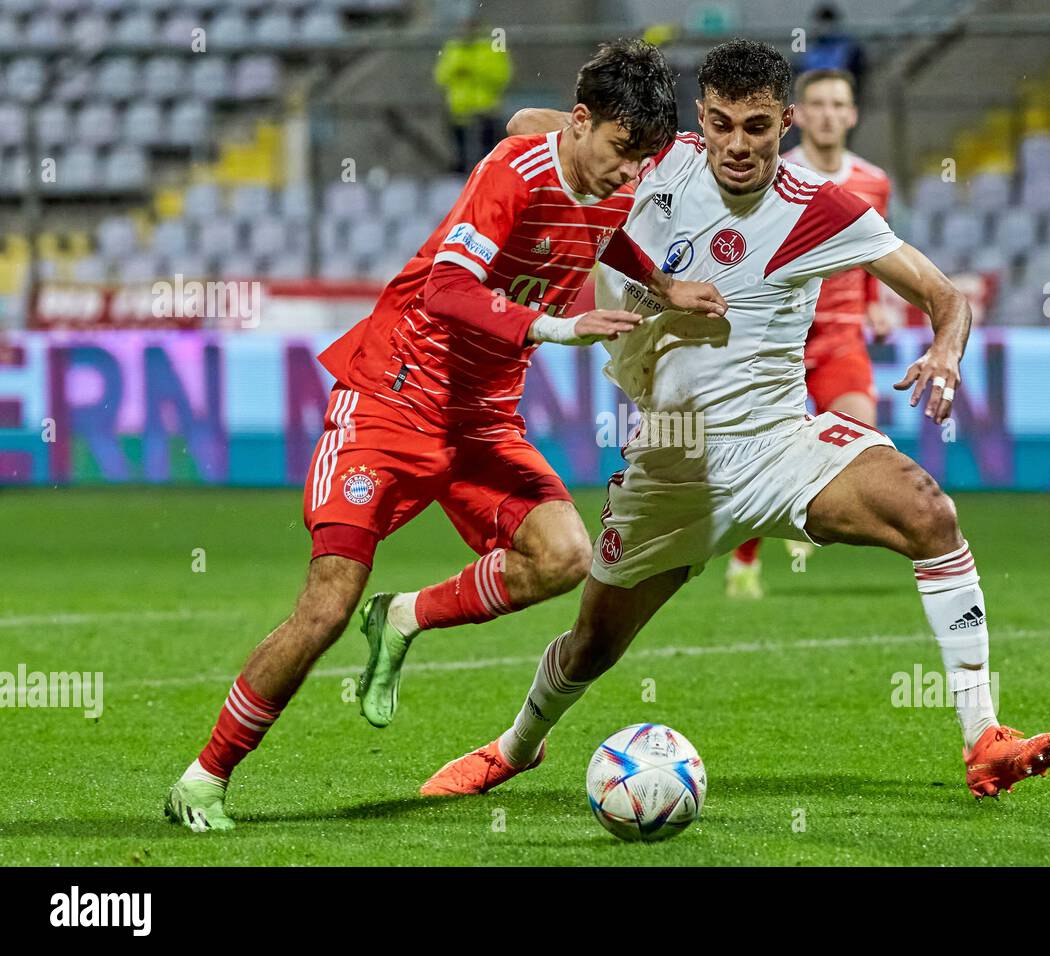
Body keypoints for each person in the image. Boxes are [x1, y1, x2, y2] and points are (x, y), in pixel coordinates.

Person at [416, 39, 1050, 803]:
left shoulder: (822, 207)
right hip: (671, 461)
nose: (738, 145)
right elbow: (528, 123)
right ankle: (515, 747)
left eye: (757, 126)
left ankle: (983, 736)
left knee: (928, 511)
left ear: (785, 124)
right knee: (591, 645)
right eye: (722, 124)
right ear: (702, 117)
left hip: (781, 444)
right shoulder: (660, 159)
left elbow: (945, 296)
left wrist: (946, 355)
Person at [164, 40, 726, 832]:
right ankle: (204, 778)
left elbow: (604, 233)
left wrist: (664, 284)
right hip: (393, 400)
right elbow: (448, 287)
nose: (630, 175)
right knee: (327, 603)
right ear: (581, 121)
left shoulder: (610, 179)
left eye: (643, 162)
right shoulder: (512, 174)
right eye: (622, 153)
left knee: (564, 553)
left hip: (482, 420)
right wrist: (555, 328)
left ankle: (405, 617)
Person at [726, 67, 894, 600]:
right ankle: (745, 560)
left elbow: (875, 253)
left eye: (836, 104)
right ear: (796, 116)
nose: (827, 113)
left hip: (842, 335)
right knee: (765, 454)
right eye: (816, 103)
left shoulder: (874, 182)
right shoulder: (773, 173)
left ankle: (804, 515)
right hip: (779, 339)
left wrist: (875, 306)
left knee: (860, 438)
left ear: (851, 115)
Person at [435, 18, 513, 173]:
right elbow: (441, 76)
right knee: (461, 156)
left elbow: (502, 75)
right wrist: (458, 71)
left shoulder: (492, 47)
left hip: (486, 110)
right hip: (459, 112)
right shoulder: (453, 47)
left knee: (487, 156)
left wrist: (472, 71)